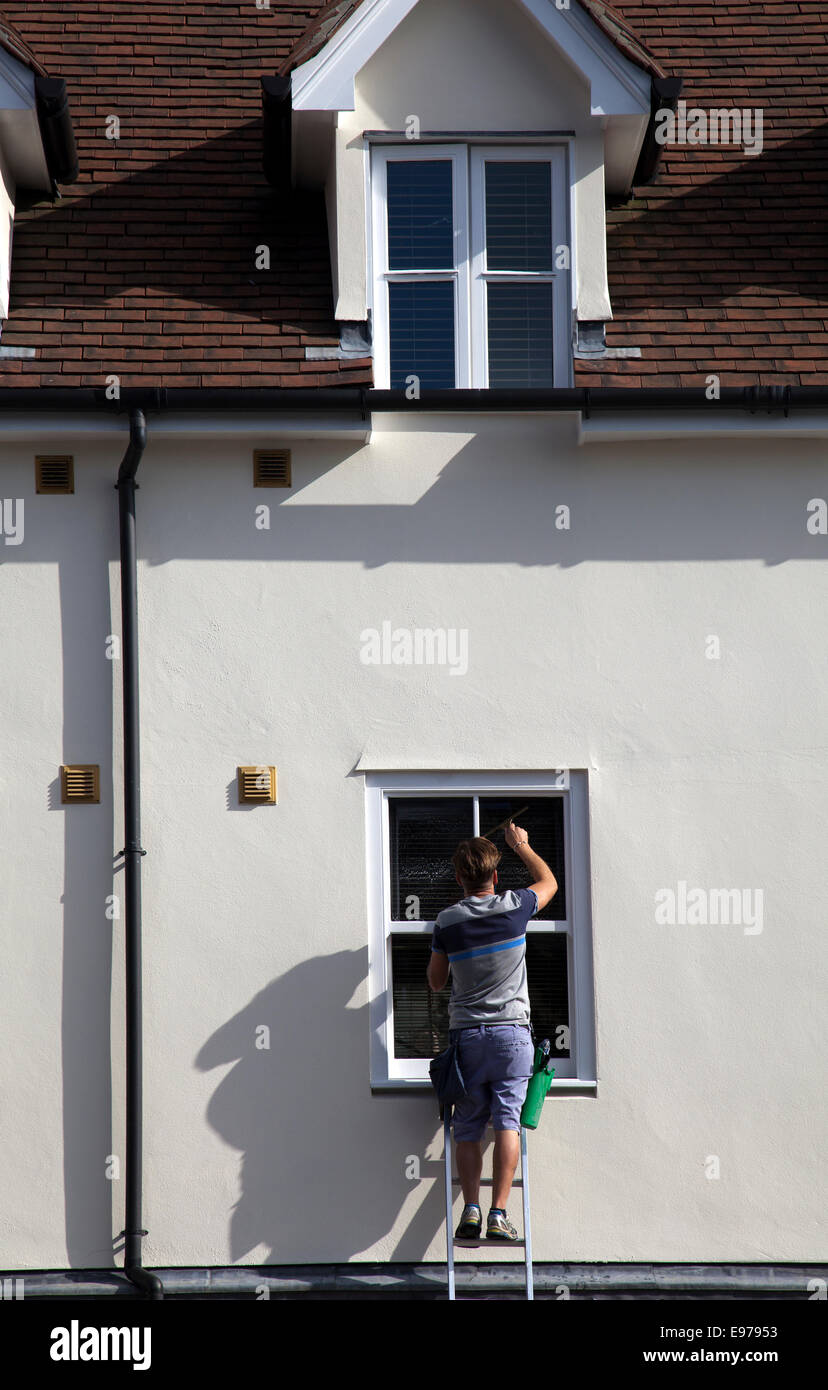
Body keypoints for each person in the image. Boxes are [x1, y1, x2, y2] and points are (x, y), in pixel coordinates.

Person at [427, 822, 558, 1241]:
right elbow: (549, 882)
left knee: (466, 1127)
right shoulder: (516, 906)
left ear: (460, 878)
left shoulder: (447, 921)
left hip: (467, 1038)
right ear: (495, 876)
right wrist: (521, 844)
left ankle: (470, 1210)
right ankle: (499, 1214)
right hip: (512, 1037)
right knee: (507, 1123)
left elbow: (433, 982)